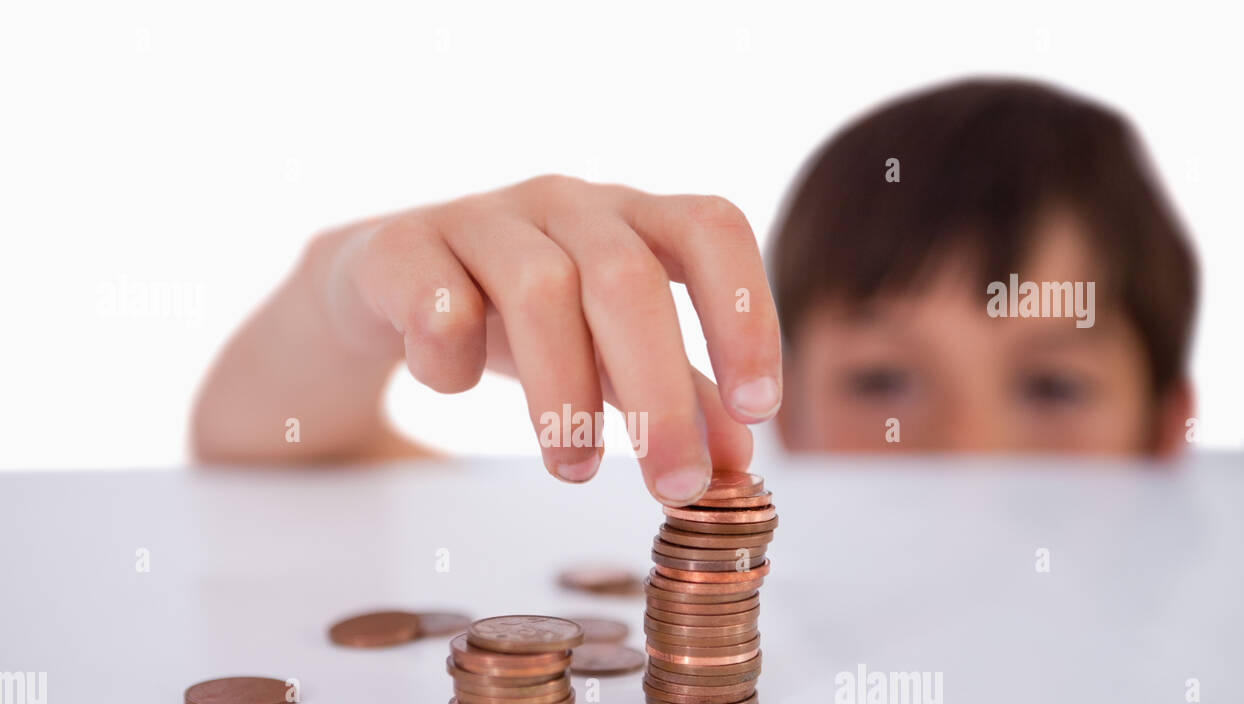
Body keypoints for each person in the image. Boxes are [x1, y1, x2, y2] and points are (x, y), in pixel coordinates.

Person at [191, 78, 1198, 504]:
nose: (965, 457)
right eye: (882, 377)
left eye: (1053, 388)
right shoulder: (708, 587)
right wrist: (341, 292)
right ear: (785, 404)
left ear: (1166, 428)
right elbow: (262, 453)